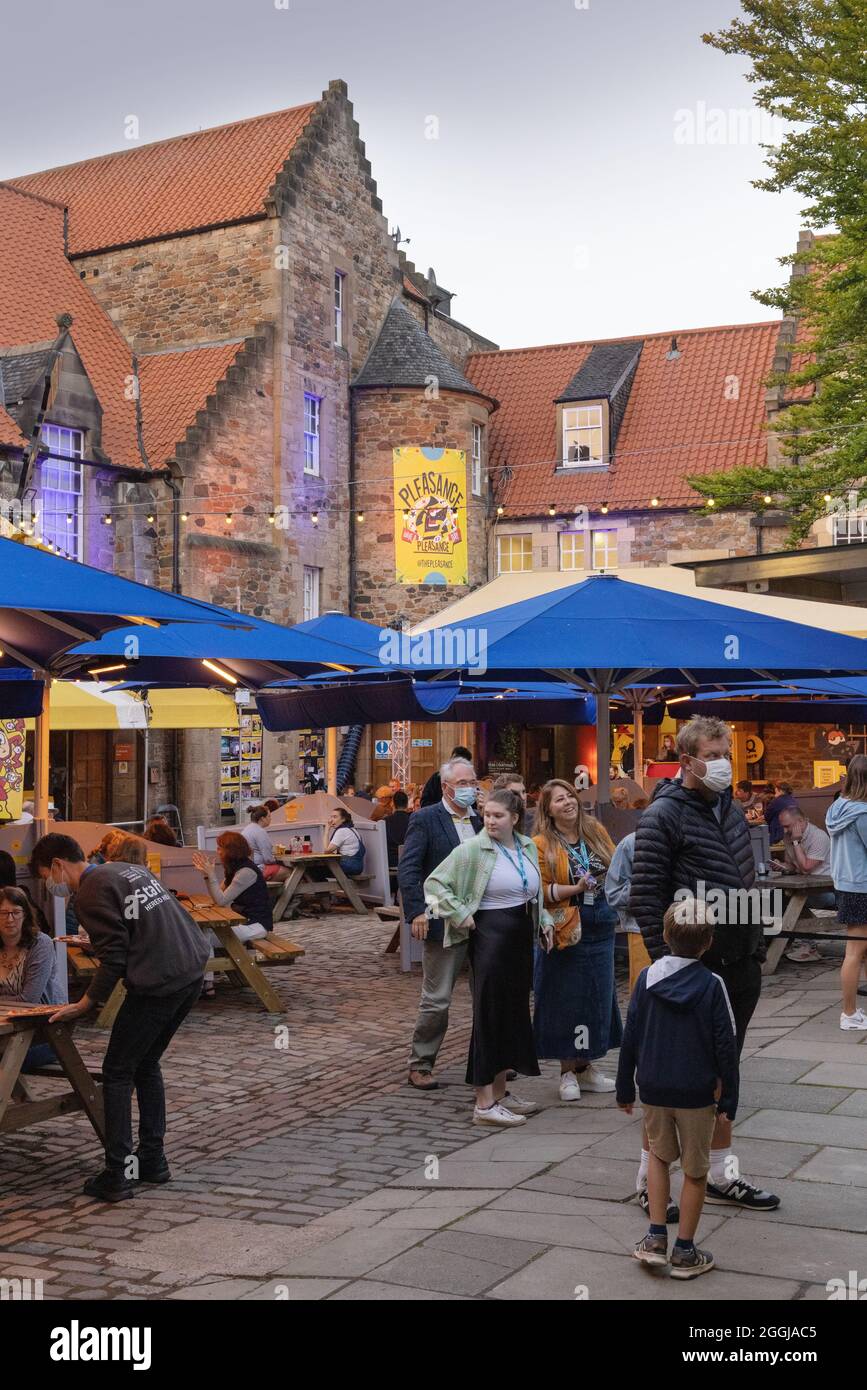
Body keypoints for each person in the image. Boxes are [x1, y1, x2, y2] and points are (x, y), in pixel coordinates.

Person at [629, 715, 779, 1212]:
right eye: (713, 754)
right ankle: (649, 1180)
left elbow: (744, 882)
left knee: (724, 1072)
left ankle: (720, 1173)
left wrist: (756, 945)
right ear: (687, 758)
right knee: (676, 1075)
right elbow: (646, 896)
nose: (722, 763)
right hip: (690, 965)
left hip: (738, 962)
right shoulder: (663, 815)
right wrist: (665, 969)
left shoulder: (730, 807)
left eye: (726, 753)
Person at [32, 832, 209, 1203]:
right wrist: (95, 943)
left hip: (159, 983)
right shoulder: (125, 870)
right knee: (145, 1064)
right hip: (189, 971)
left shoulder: (90, 891)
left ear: (59, 866)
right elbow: (134, 929)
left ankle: (119, 1172)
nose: (50, 885)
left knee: (116, 1072)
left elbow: (116, 956)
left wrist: (86, 1004)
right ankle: (153, 1161)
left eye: (46, 875)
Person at [617, 898, 739, 1279]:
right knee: (695, 1169)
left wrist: (624, 1087)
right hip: (696, 1092)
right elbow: (726, 1046)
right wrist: (729, 1099)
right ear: (708, 942)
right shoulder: (713, 985)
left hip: (653, 1088)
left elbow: (631, 1036)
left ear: (666, 936)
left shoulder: (646, 979)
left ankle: (655, 1237)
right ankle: (685, 1251)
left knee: (657, 1156)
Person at [423, 789, 553, 1127]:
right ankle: (483, 1103)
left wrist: (545, 922)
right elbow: (435, 883)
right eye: (486, 814)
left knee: (512, 1014)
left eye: (498, 815)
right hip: (491, 936)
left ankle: (500, 1094)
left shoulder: (524, 846)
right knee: (489, 1014)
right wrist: (459, 912)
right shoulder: (472, 850)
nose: (490, 820)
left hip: (519, 933)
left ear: (514, 818)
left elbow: (533, 892)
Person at [532, 779, 621, 1101]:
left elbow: (616, 867)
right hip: (565, 927)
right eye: (559, 799)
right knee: (566, 1000)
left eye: (569, 795)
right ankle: (566, 1071)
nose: (568, 802)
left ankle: (587, 1068)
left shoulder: (594, 830)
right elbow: (538, 890)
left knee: (597, 998)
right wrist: (576, 890)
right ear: (548, 810)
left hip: (601, 923)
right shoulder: (542, 844)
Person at [400, 756, 482, 1089]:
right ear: (446, 787)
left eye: (473, 782)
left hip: (484, 919)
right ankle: (421, 1062)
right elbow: (410, 869)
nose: (469, 789)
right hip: (443, 917)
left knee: (488, 994)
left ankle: (490, 1059)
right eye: (462, 784)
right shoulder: (426, 819)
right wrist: (417, 911)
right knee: (437, 998)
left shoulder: (482, 820)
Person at [0, 885, 64, 1071]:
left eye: (15, 912)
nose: (9, 919)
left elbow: (29, 999)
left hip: (44, 1033)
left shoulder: (40, 944)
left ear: (25, 915)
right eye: (3, 913)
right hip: (7, 1032)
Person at [826, 755, 867, 1030]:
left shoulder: (838, 808)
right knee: (854, 951)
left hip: (846, 883)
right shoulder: (862, 813)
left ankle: (853, 1011)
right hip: (861, 886)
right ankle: (849, 1014)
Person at [768, 806, 834, 963]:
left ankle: (805, 944)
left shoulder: (819, 837)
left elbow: (806, 867)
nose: (785, 831)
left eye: (787, 826)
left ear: (800, 822)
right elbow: (793, 865)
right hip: (805, 888)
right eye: (782, 826)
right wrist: (782, 865)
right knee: (774, 897)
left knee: (785, 899)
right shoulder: (789, 837)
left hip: (826, 890)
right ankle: (784, 941)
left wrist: (796, 842)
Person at [242, 805, 288, 882]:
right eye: (269, 816)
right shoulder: (260, 832)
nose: (271, 819)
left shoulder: (246, 830)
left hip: (247, 868)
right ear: (262, 819)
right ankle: (280, 894)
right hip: (258, 869)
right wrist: (276, 860)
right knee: (291, 873)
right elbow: (268, 859)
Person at [325, 807, 366, 877]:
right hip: (358, 867)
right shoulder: (352, 829)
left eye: (335, 817)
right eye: (331, 817)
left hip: (349, 866)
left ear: (343, 819)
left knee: (315, 871)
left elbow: (327, 851)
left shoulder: (342, 831)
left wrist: (326, 831)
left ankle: (329, 888)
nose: (331, 820)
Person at [385, 790, 411, 871]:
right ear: (407, 804)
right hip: (409, 860)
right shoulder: (413, 820)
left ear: (393, 804)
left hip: (390, 861)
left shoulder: (386, 821)